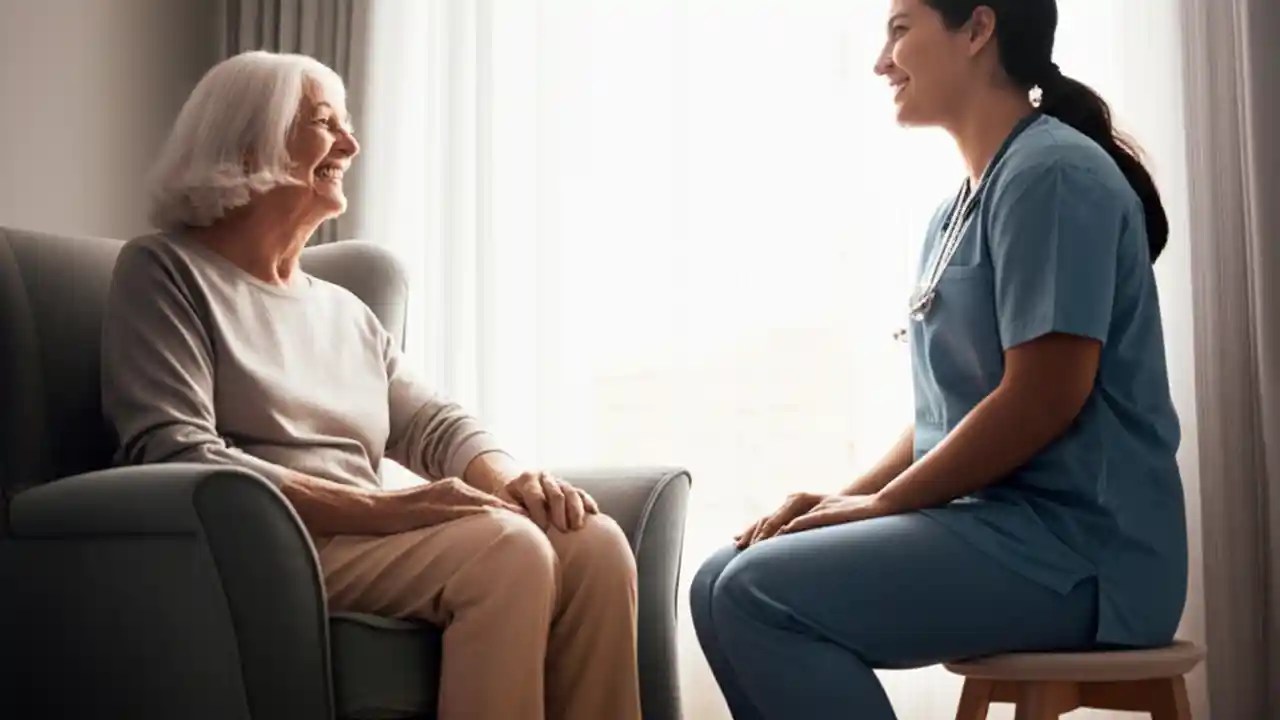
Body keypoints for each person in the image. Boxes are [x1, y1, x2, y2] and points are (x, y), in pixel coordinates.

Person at [101, 50, 641, 720]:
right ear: (247, 141)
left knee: (593, 545)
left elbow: (433, 425)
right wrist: (387, 511)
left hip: (368, 539)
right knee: (508, 553)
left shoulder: (344, 310)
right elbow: (175, 450)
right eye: (326, 123)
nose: (352, 144)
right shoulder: (164, 271)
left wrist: (509, 481)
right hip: (272, 547)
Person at [689, 1, 1187, 718]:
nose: (881, 61)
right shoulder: (955, 211)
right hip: (1001, 532)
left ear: (978, 30)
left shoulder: (1053, 175)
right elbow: (943, 419)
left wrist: (884, 506)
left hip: (1085, 553)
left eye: (899, 30)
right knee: (717, 580)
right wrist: (843, 500)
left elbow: (1044, 397)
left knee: (756, 593)